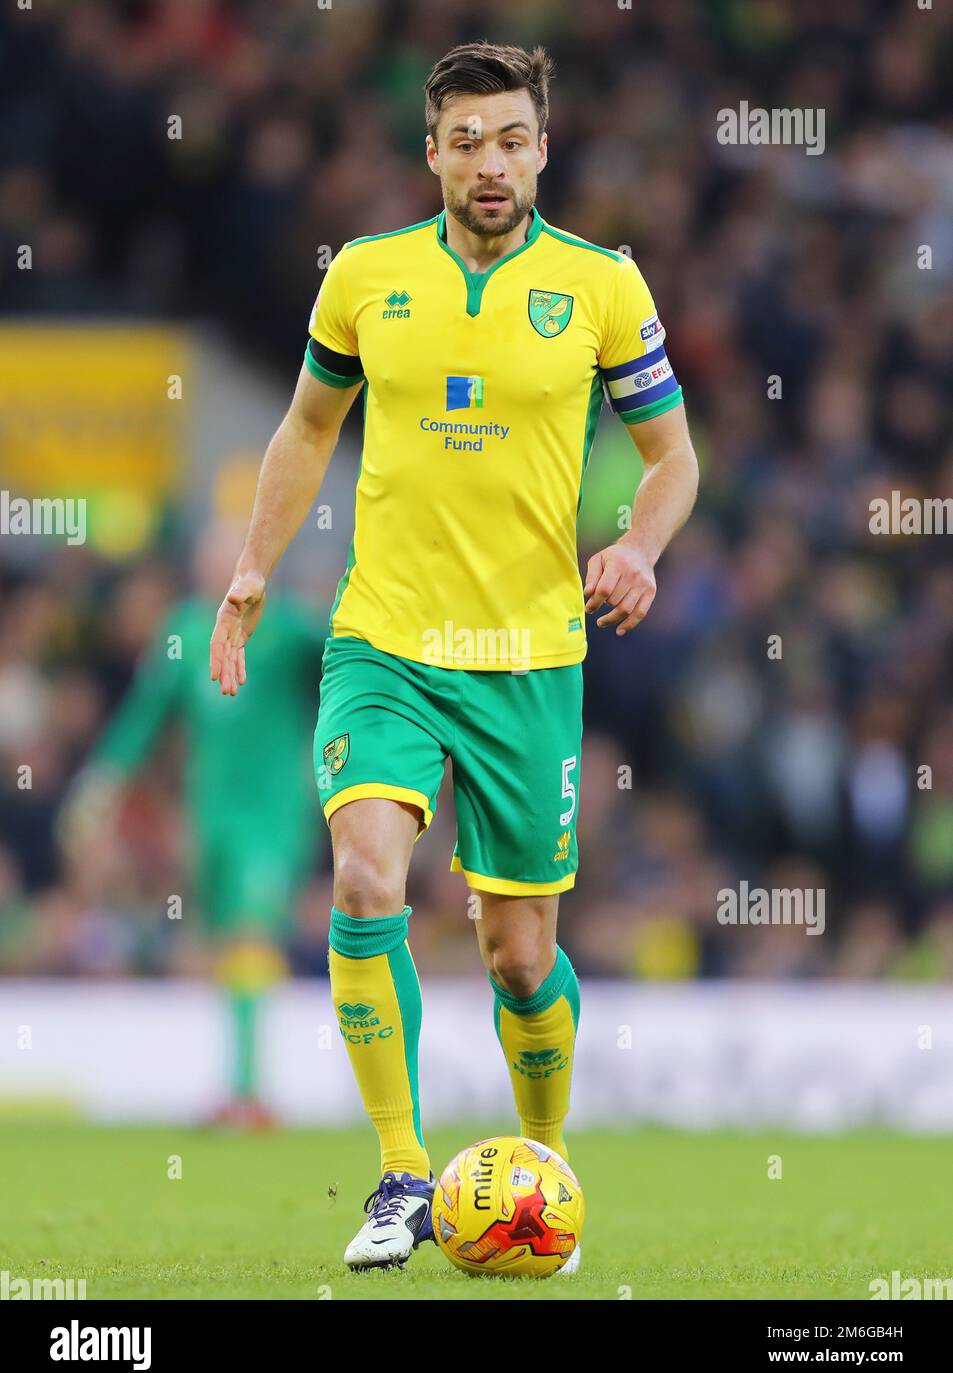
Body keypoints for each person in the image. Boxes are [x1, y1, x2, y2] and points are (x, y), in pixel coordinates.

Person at [209, 41, 698, 1267]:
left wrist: (637, 546)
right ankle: (399, 1175)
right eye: (466, 140)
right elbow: (305, 425)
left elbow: (672, 458)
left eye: (513, 138)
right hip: (384, 642)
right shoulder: (366, 278)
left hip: (530, 661)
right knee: (367, 878)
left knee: (518, 956)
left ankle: (543, 1161)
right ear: (429, 151)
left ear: (545, 147)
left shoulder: (599, 287)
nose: (491, 162)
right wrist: (253, 568)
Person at [63, 521, 326, 1126]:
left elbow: (343, 653)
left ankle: (248, 1093)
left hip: (273, 817)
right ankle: (238, 1085)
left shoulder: (287, 629)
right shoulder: (182, 632)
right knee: (221, 945)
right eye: (213, 555)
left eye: (236, 557)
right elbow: (145, 717)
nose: (223, 569)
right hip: (209, 819)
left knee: (252, 934)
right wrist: (102, 782)